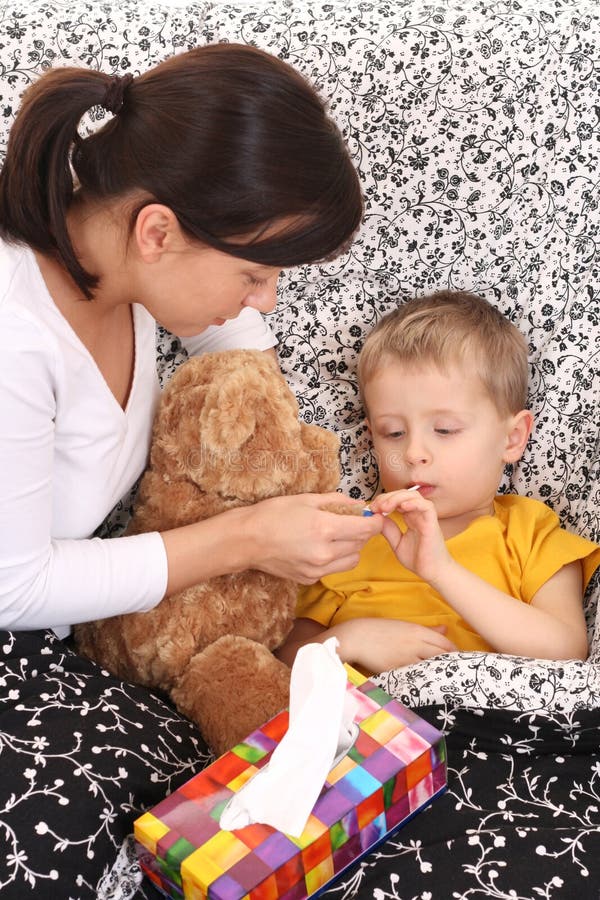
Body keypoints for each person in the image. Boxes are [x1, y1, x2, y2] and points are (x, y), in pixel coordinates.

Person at [0, 43, 384, 637]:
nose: (268, 300)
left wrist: (271, 440)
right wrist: (250, 537)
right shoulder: (17, 339)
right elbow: (15, 590)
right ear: (158, 233)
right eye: (255, 276)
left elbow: (227, 326)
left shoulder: (120, 261)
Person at [278, 290, 600, 674]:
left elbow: (567, 653)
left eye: (445, 430)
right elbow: (280, 667)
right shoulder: (351, 538)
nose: (414, 452)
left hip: (491, 724)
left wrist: (441, 571)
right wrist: (350, 638)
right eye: (393, 433)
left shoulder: (532, 531)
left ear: (512, 439)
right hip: (370, 726)